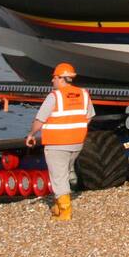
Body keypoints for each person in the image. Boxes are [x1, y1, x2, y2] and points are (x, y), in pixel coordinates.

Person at [25, 62, 94, 221]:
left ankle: (65, 212)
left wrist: (31, 134)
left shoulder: (54, 97)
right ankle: (58, 204)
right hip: (77, 143)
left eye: (54, 78)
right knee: (64, 172)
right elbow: (89, 116)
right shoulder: (83, 94)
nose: (52, 81)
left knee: (59, 177)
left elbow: (40, 120)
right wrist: (76, 129)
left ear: (61, 79)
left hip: (57, 144)